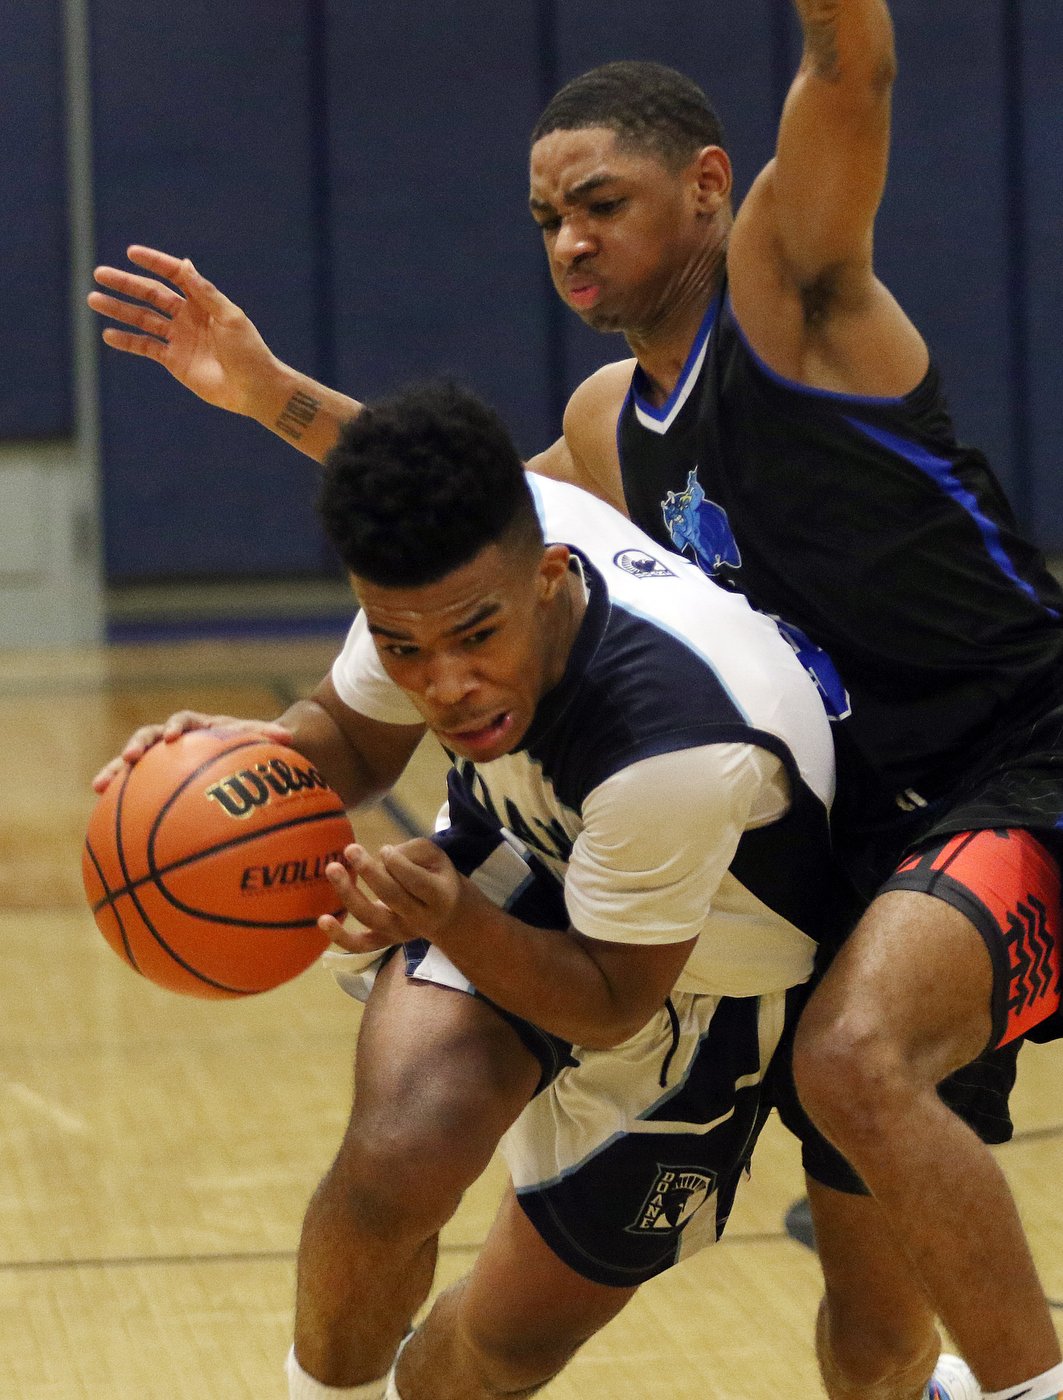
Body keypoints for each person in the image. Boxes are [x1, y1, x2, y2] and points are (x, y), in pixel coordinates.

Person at [86, 3, 1063, 1398]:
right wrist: (267, 395)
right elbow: (478, 522)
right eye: (546, 218)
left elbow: (854, 65)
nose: (568, 243)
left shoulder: (792, 299)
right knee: (865, 1338)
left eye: (601, 204)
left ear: (709, 187)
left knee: (857, 1073)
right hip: (839, 843)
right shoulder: (612, 420)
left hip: (1006, 766)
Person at [97, 379, 853, 1400]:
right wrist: (235, 766)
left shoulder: (676, 742)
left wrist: (451, 913)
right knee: (396, 1155)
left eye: (473, 640)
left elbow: (608, 996)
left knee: (494, 1357)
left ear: (547, 580)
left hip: (708, 970)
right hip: (532, 857)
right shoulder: (429, 591)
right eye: (404, 648)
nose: (443, 682)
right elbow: (352, 739)